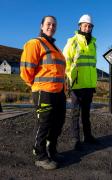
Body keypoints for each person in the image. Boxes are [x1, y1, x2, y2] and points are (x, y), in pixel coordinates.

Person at [20, 15, 66, 170]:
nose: (51, 27)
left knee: (58, 124)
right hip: (43, 92)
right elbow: (26, 71)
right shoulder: (35, 43)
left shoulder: (56, 48)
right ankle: (40, 156)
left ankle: (52, 150)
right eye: (48, 24)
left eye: (54, 25)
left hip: (59, 93)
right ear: (41, 25)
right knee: (44, 124)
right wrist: (36, 86)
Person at [63, 14, 98, 150]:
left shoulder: (93, 43)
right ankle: (76, 140)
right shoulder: (73, 41)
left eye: (90, 26)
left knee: (86, 114)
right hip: (77, 85)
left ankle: (88, 137)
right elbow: (66, 62)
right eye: (85, 25)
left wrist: (93, 83)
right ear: (80, 26)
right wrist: (71, 78)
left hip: (89, 85)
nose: (87, 28)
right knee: (75, 113)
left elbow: (92, 65)